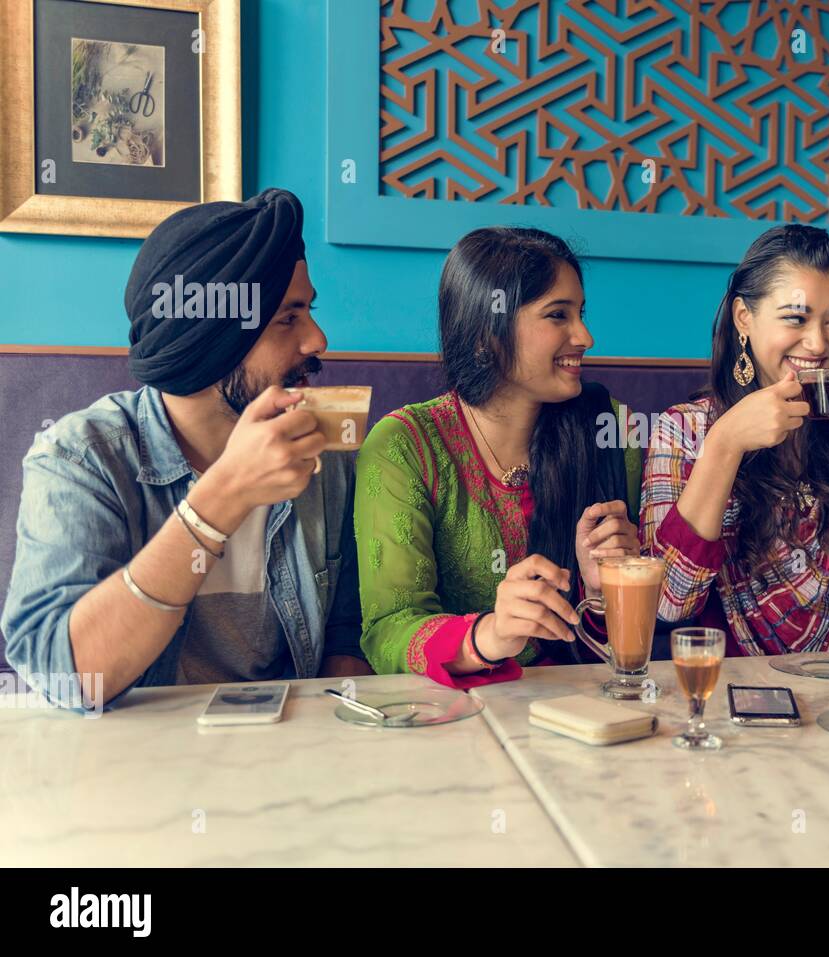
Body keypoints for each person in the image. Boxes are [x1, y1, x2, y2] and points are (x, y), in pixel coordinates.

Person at [1, 188, 370, 712]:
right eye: (288, 318)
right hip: (133, 763)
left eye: (309, 311)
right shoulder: (81, 458)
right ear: (208, 338)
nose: (318, 340)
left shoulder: (325, 455)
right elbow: (65, 677)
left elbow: (345, 630)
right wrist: (222, 497)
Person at [354, 227, 640, 688]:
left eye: (580, 313)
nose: (584, 336)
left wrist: (606, 593)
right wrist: (487, 636)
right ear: (487, 333)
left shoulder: (609, 433)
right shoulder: (405, 447)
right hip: (456, 722)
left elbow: (643, 636)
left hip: (587, 709)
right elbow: (388, 627)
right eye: (557, 315)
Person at [641, 224, 829, 655]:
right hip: (734, 696)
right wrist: (724, 444)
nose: (819, 343)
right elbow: (669, 601)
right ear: (744, 318)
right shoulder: (684, 430)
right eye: (796, 319)